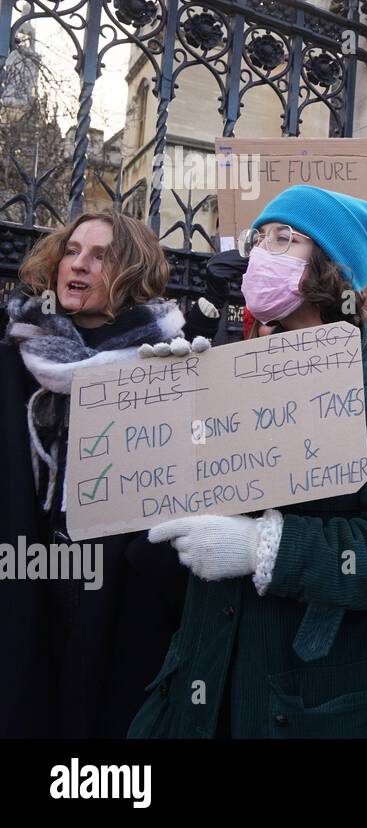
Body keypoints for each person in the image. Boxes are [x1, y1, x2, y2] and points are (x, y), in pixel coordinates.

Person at [130, 184, 367, 738]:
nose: (261, 252)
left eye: (285, 238)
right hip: (207, 694)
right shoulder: (231, 369)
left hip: (325, 704)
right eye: (260, 238)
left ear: (332, 268)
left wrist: (266, 549)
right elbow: (164, 510)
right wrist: (166, 402)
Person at [1, 210, 189, 737]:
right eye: (72, 250)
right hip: (24, 570)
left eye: (100, 256)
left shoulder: (166, 366)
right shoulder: (15, 358)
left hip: (116, 591)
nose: (77, 265)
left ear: (131, 271)